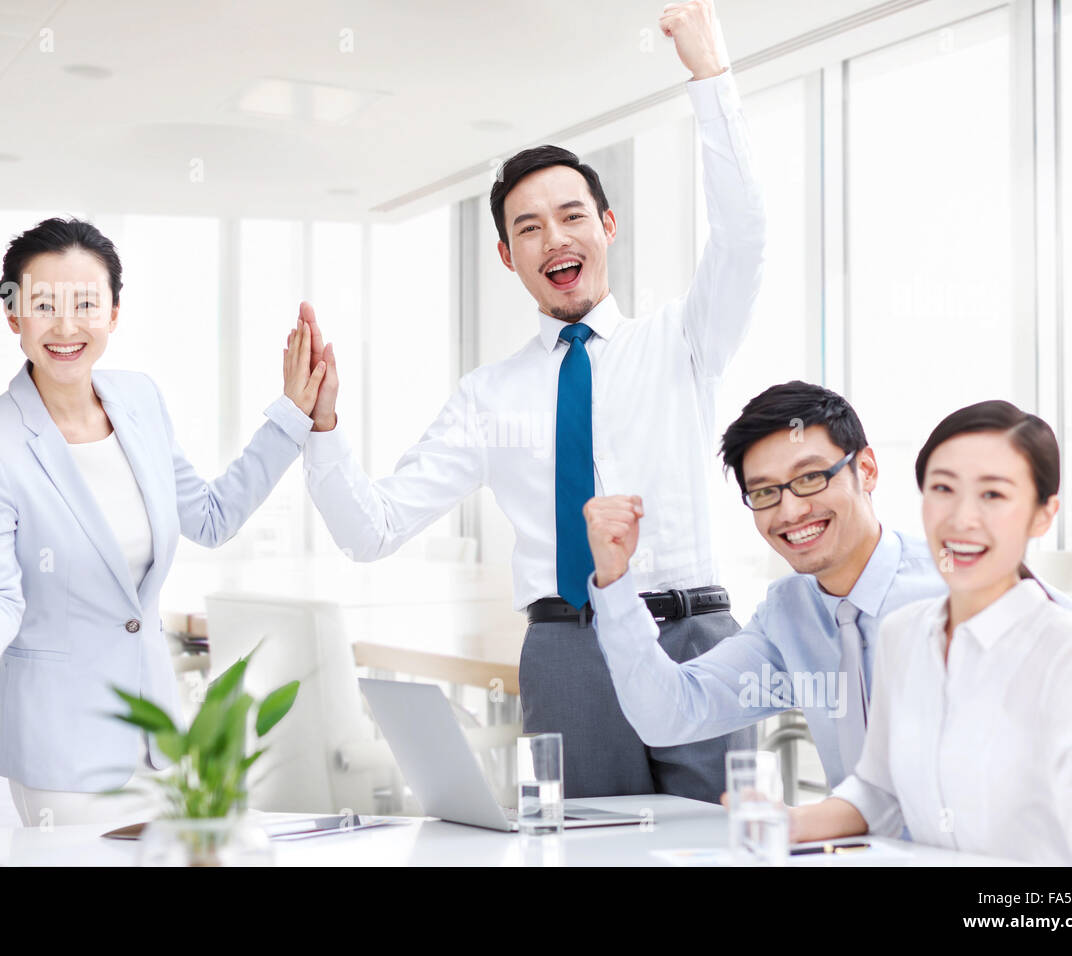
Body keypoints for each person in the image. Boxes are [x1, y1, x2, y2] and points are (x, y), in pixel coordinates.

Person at [290, 0, 766, 801]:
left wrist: (711, 79)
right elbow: (369, 532)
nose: (556, 239)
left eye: (573, 216)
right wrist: (323, 426)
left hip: (693, 636)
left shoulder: (683, 341)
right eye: (531, 229)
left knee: (725, 847)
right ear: (509, 258)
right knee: (587, 855)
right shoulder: (488, 396)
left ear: (609, 226)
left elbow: (744, 236)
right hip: (568, 650)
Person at [585, 383, 1072, 858]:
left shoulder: (967, 583)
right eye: (764, 492)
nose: (791, 510)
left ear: (866, 469)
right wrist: (614, 582)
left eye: (809, 478)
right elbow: (671, 715)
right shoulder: (792, 615)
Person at [0, 218, 327, 827]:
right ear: (14, 316)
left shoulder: (138, 400)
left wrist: (293, 415)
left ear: (113, 312)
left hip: (159, 743)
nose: (66, 326)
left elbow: (211, 519)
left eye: (86, 303)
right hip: (63, 755)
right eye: (43, 305)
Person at [785, 401, 1072, 865]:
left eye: (993, 495)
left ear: (1043, 515)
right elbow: (877, 790)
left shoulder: (1071, 649)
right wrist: (788, 823)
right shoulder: (903, 634)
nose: (961, 518)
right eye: (943, 488)